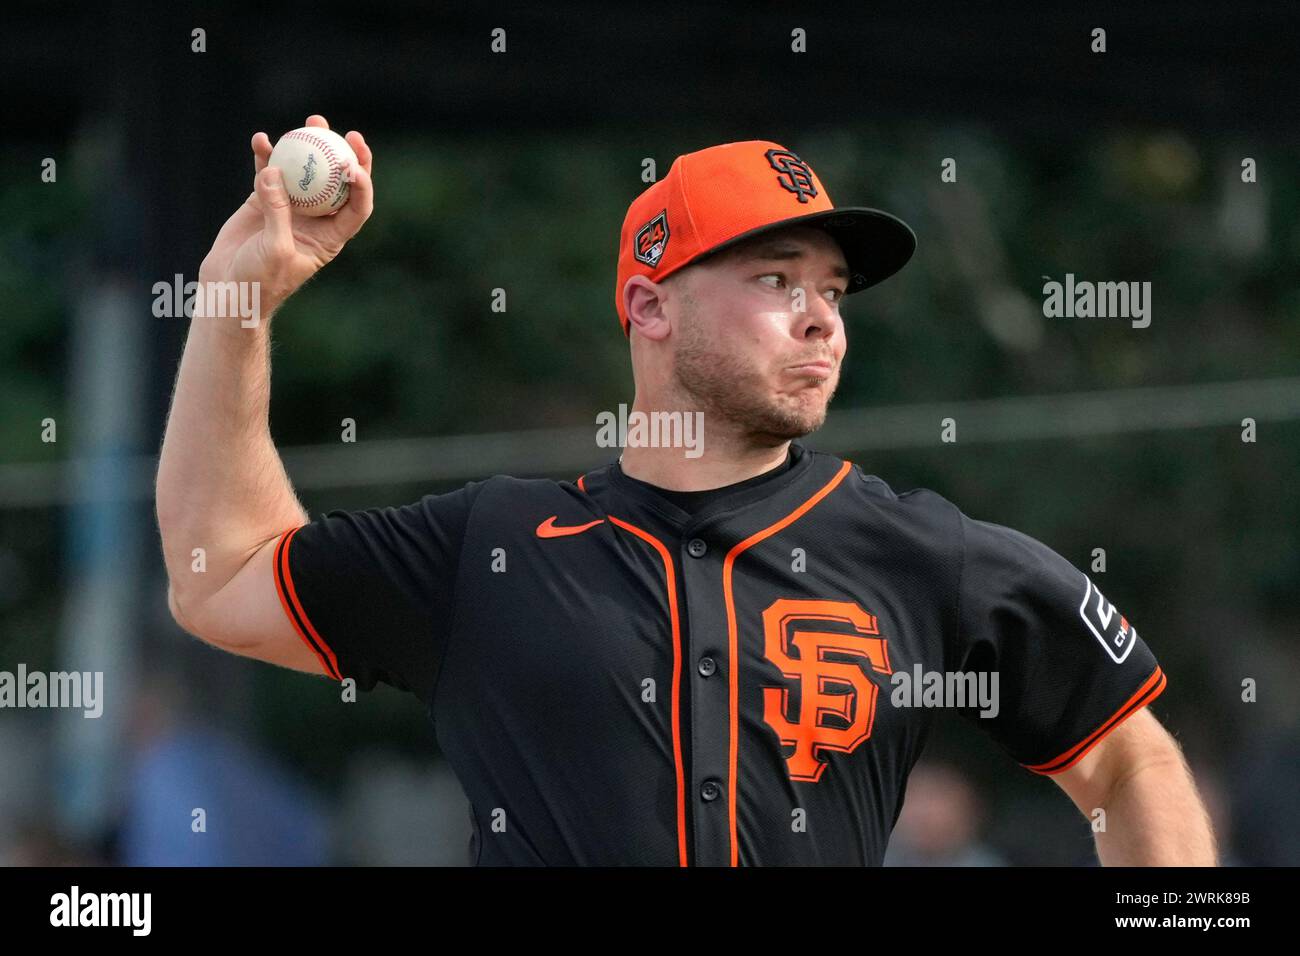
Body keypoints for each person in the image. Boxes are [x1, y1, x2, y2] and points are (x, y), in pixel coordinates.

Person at [156, 115, 1217, 866]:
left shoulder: (923, 556)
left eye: (832, 290)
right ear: (649, 307)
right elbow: (220, 575)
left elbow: (1128, 760)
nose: (821, 318)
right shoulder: (495, 545)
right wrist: (235, 303)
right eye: (775, 280)